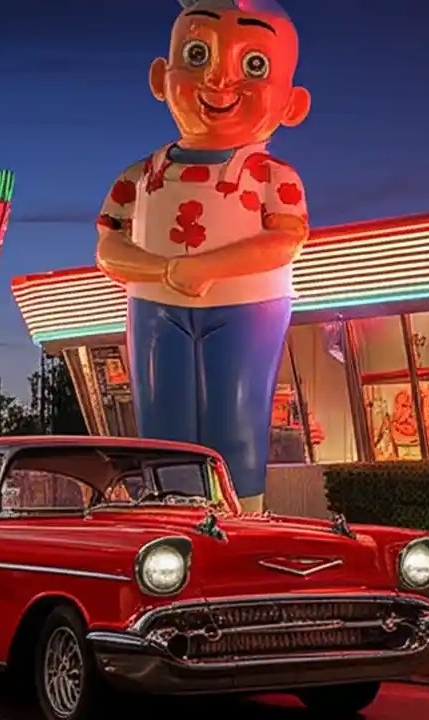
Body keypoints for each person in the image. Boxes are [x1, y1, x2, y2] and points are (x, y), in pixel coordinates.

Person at [95, 0, 311, 513]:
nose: (219, 80)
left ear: (292, 104)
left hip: (248, 308)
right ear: (160, 76)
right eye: (197, 55)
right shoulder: (140, 175)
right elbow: (108, 246)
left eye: (253, 65)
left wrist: (205, 268)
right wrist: (166, 271)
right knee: (162, 419)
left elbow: (285, 240)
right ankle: (170, 515)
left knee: (236, 417)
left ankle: (240, 520)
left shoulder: (272, 175)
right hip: (154, 308)